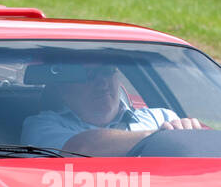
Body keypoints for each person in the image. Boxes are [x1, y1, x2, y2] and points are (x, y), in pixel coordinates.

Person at [21, 64, 202, 155]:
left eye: (107, 72)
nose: (102, 84)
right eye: (88, 76)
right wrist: (159, 137)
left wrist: (195, 135)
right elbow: (80, 148)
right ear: (62, 89)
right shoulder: (41, 126)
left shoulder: (162, 117)